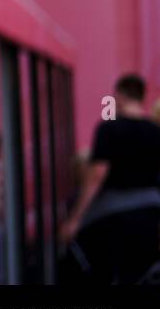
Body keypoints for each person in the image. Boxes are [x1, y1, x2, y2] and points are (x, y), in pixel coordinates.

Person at [60, 74, 160, 284]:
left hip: (115, 218)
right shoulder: (155, 131)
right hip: (153, 214)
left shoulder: (109, 129)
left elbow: (97, 174)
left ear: (120, 95)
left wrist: (75, 219)